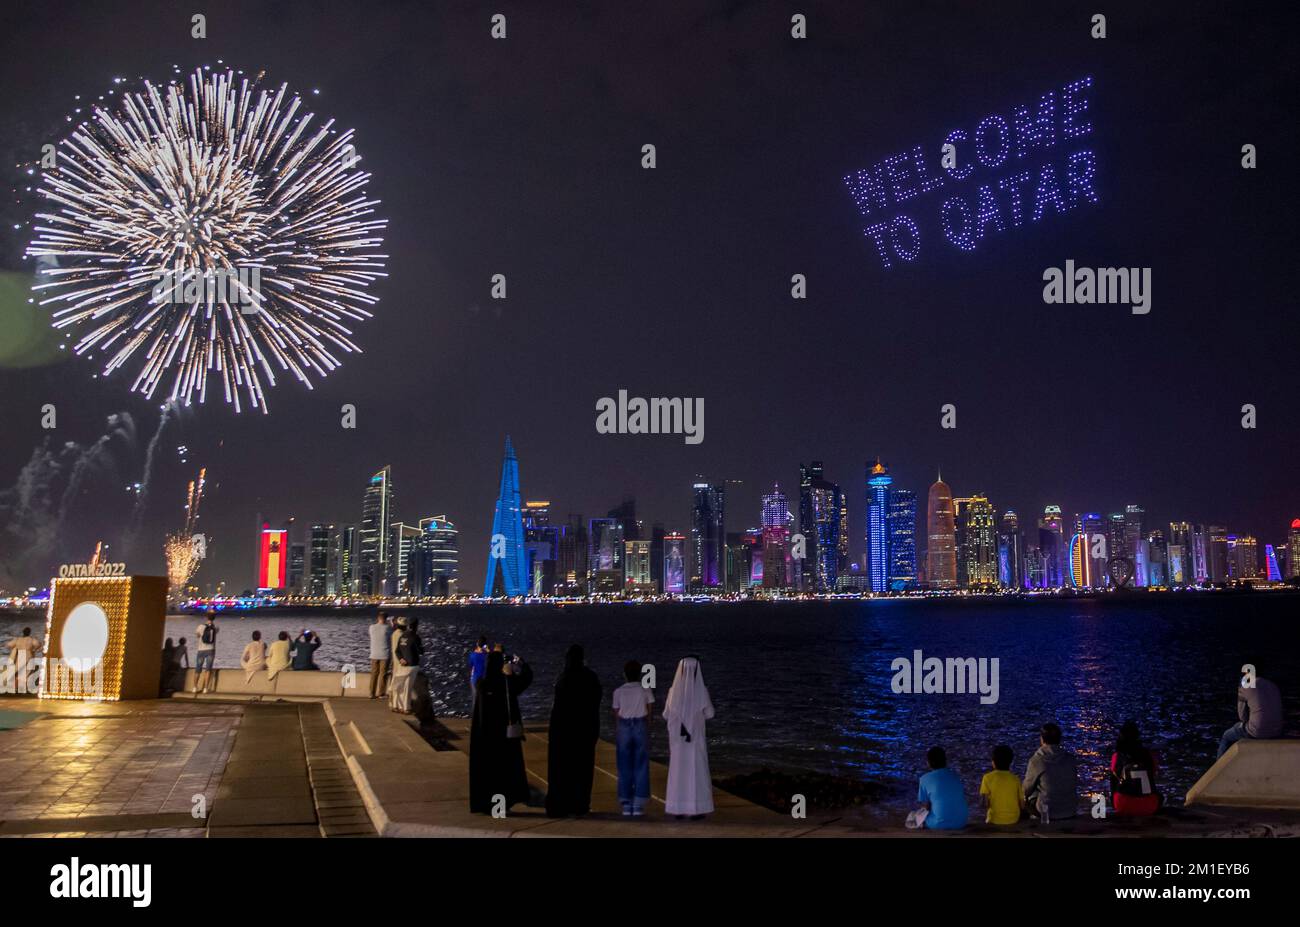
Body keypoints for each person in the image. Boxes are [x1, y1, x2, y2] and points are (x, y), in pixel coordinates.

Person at [469, 649, 533, 814]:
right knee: (503, 774)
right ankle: (500, 808)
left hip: (485, 737)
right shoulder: (505, 683)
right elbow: (526, 680)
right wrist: (517, 668)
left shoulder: (481, 684)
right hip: (503, 738)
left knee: (487, 774)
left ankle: (485, 805)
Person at [545, 644, 603, 818]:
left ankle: (560, 804)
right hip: (584, 731)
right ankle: (580, 804)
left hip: (564, 733)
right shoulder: (591, 677)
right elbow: (596, 701)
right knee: (582, 770)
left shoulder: (564, 678)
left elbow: (558, 708)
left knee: (562, 770)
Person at [664, 655, 715, 819]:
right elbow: (710, 713)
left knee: (678, 774)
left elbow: (666, 714)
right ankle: (696, 810)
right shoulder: (702, 692)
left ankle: (678, 809)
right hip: (696, 742)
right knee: (696, 775)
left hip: (678, 743)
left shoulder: (672, 692)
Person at [612, 659, 654, 817]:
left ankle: (626, 803)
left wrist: (620, 729)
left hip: (624, 725)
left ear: (625, 675)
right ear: (639, 674)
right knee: (641, 764)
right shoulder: (645, 690)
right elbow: (649, 712)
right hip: (640, 724)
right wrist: (647, 729)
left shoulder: (618, 691)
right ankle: (638, 803)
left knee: (623, 764)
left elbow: (616, 713)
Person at [1218, 674, 1284, 758]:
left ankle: (1220, 765)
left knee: (1226, 736)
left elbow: (1242, 716)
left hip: (1257, 732)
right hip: (1277, 731)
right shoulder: (1273, 686)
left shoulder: (1246, 687)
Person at [1023, 722, 1078, 822]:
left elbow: (1026, 790)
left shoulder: (1037, 761)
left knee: (1032, 792)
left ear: (1042, 739)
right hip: (1070, 810)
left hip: (1046, 812)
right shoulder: (1070, 759)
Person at [1109, 720, 1161, 817]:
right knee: (1160, 796)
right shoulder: (1148, 754)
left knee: (1114, 783)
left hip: (1123, 805)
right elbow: (1152, 775)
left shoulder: (1117, 756)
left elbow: (1113, 781)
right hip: (1149, 806)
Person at [916, 746, 968, 829]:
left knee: (916, 815)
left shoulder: (924, 779)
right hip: (961, 822)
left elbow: (925, 807)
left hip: (938, 824)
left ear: (929, 762)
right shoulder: (955, 776)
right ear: (945, 761)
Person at [979, 744, 1024, 825]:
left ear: (993, 762)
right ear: (1010, 762)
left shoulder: (987, 777)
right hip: (1013, 819)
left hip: (994, 819)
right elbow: (1022, 804)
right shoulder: (1015, 779)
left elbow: (984, 804)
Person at [389, 618, 422, 713]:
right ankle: (406, 708)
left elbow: (397, 650)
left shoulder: (402, 636)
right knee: (407, 687)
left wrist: (401, 659)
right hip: (412, 665)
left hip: (401, 664)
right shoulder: (415, 637)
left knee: (398, 686)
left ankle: (395, 705)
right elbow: (420, 651)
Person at [193, 611, 218, 694]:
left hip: (201, 650)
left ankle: (195, 687)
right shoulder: (216, 627)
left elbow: (197, 636)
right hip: (211, 650)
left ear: (206, 617)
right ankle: (205, 688)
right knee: (208, 669)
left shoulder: (200, 627)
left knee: (198, 668)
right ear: (214, 618)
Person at [368, 613, 391, 699]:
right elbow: (391, 636)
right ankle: (381, 693)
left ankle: (371, 693)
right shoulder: (388, 628)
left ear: (378, 618)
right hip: (384, 654)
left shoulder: (371, 627)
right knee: (383, 674)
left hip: (374, 654)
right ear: (386, 619)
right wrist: (392, 624)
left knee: (374, 674)